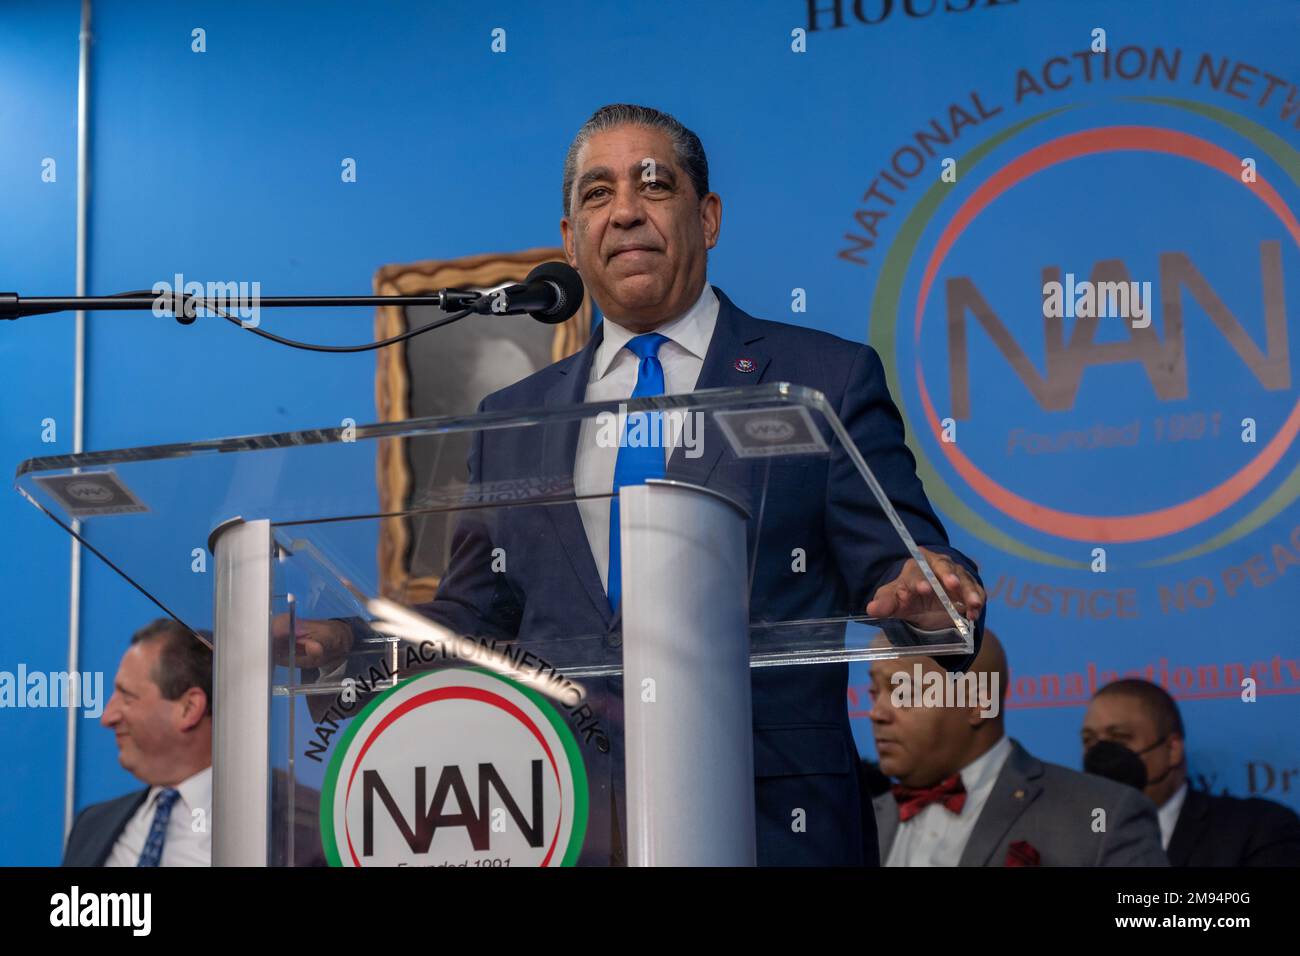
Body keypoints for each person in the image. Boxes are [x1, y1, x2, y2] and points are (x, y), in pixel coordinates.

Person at [283, 103, 987, 866]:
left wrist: (926, 589)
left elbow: (903, 562)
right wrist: (347, 644)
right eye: (596, 194)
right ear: (570, 241)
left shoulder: (823, 378)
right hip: (564, 816)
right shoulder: (510, 420)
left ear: (707, 217)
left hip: (770, 819)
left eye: (653, 185)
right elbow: (472, 617)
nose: (623, 212)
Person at [869, 632, 1167, 866]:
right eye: (873, 693)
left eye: (903, 692)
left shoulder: (1104, 814)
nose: (876, 713)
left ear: (976, 703)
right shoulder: (859, 819)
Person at [1083, 678, 1300, 866]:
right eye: (1089, 740)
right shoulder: (1067, 838)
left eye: (1120, 737)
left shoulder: (1258, 829)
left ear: (1172, 749)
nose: (1101, 752)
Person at [63, 619, 212, 867]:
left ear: (189, 708)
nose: (107, 718)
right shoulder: (91, 825)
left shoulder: (280, 830)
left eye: (127, 697)